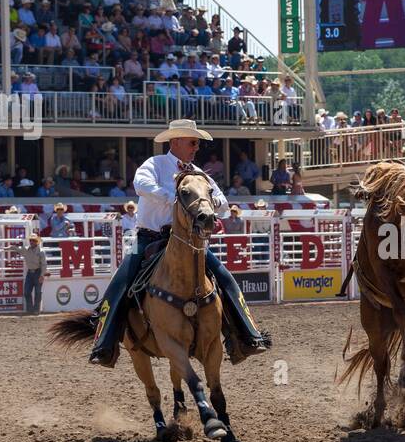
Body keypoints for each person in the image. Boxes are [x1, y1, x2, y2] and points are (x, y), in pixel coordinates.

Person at [88, 119, 272, 368]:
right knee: (121, 281)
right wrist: (175, 197)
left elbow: (224, 204)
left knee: (225, 277)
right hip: (149, 237)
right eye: (193, 142)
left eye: (197, 143)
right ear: (176, 141)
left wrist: (205, 203)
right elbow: (141, 185)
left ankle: (247, 336)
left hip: (189, 241)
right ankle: (103, 344)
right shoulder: (154, 165)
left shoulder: (199, 175)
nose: (197, 147)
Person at [21, 232, 47, 315]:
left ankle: (36, 310)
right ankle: (30, 309)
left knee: (38, 292)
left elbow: (44, 264)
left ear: (36, 242)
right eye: (31, 240)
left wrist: (42, 275)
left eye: (33, 240)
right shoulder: (27, 249)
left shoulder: (41, 252)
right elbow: (17, 249)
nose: (31, 242)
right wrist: (10, 247)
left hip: (38, 272)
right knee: (27, 292)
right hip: (30, 272)